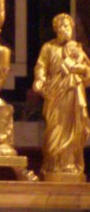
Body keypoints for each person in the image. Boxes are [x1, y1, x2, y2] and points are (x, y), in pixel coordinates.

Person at [32, 12, 90, 180]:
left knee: (74, 128)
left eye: (68, 26)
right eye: (62, 26)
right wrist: (40, 78)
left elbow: (87, 71)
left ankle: (70, 164)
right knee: (55, 127)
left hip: (73, 93)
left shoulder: (77, 49)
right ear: (56, 29)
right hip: (55, 95)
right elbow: (41, 66)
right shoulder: (48, 48)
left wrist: (78, 69)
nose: (65, 29)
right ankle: (53, 164)